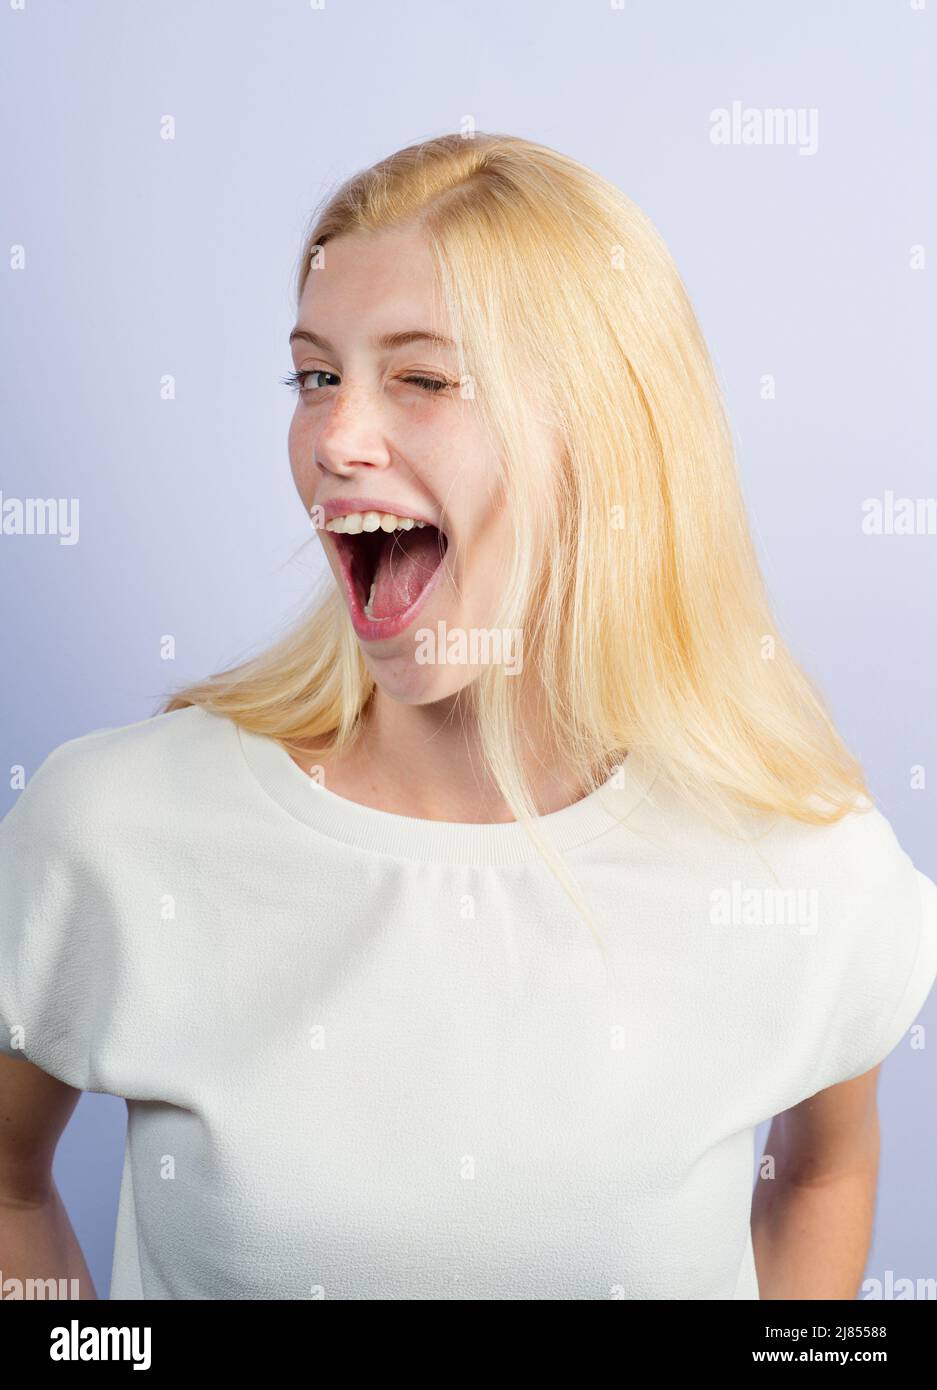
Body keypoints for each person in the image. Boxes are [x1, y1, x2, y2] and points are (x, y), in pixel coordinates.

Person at [2, 132, 935, 1301]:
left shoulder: (798, 864)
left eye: (424, 379)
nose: (335, 437)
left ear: (601, 438)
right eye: (315, 376)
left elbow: (819, 1180)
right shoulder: (116, 826)